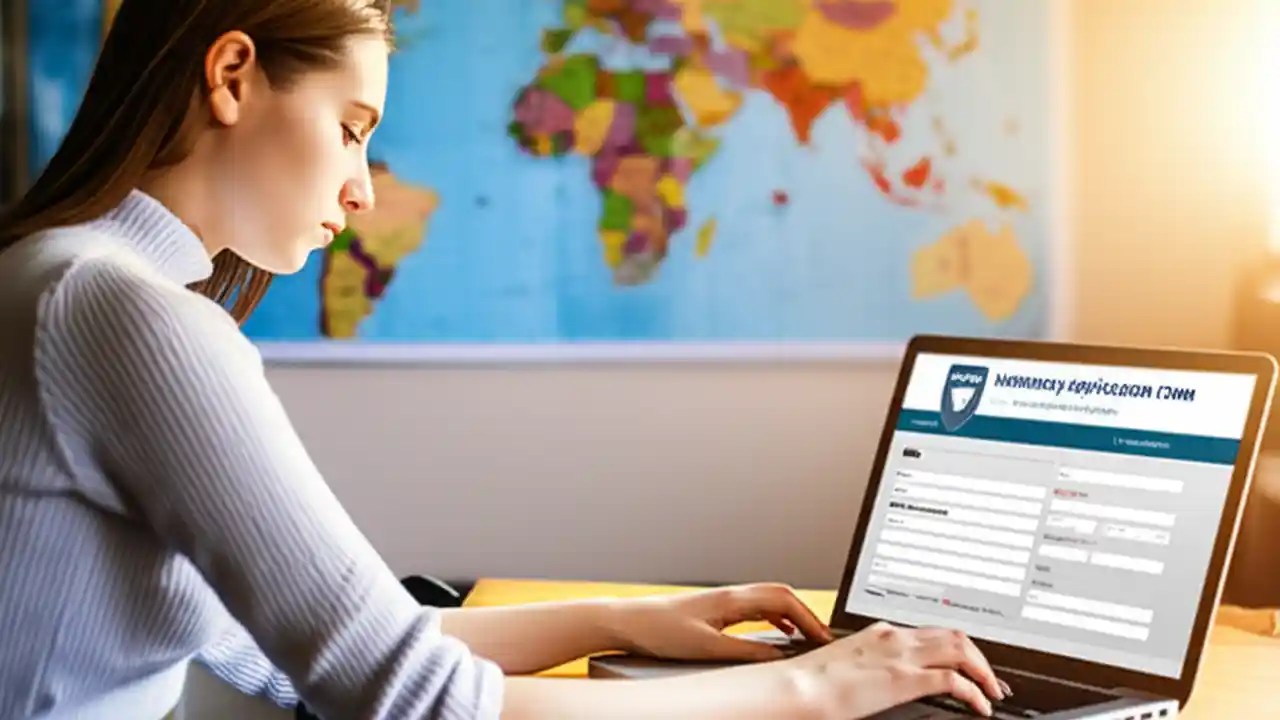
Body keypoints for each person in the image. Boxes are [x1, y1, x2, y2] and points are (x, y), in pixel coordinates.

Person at [0, 1, 1008, 718]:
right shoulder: (122, 314)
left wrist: (627, 620)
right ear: (230, 77)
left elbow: (311, 650)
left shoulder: (52, 279)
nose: (360, 191)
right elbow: (407, 699)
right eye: (351, 131)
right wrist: (812, 691)